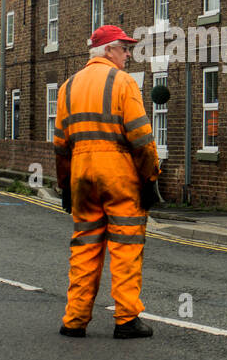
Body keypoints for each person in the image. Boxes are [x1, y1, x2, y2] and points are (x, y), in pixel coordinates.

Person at [53, 25, 161, 339]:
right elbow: (141, 138)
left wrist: (65, 185)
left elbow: (61, 145)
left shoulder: (68, 87)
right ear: (108, 50)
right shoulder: (123, 82)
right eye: (124, 48)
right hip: (119, 176)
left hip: (81, 175)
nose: (128, 54)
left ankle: (75, 320)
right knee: (126, 246)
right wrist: (150, 176)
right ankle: (126, 320)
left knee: (85, 247)